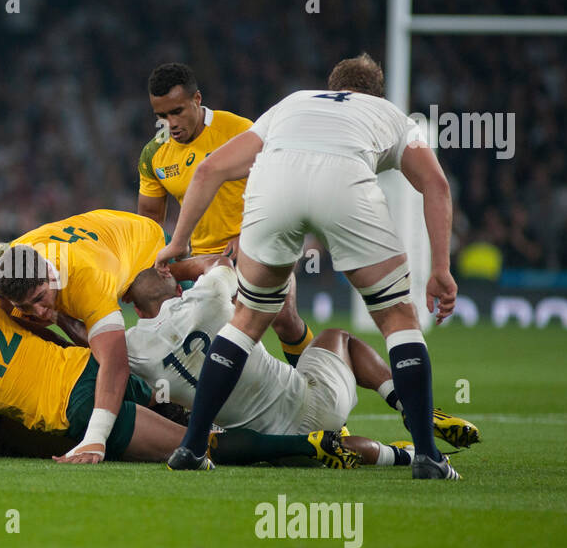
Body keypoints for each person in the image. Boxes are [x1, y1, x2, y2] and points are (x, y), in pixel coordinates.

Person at [155, 54, 462, 479]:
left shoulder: (293, 103)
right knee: (396, 317)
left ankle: (191, 447)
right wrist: (441, 268)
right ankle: (428, 457)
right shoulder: (390, 115)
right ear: (375, 94)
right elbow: (435, 185)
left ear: (330, 86)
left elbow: (209, 170)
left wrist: (176, 242)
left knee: (245, 320)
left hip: (274, 186)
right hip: (344, 189)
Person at [0, 280, 359, 469]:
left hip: (76, 413)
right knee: (178, 409)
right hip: (98, 365)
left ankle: (312, 447)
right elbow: (35, 327)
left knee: (197, 447)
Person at [0, 209, 218, 464]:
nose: (39, 311)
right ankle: (165, 406)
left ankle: (208, 414)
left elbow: (115, 365)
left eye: (40, 297)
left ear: (49, 273)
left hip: (143, 244)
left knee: (171, 347)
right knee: (18, 319)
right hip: (94, 237)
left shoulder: (88, 281)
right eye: (27, 304)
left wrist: (96, 437)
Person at [125, 261, 479, 462]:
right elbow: (220, 262)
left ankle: (400, 455)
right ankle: (407, 404)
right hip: (311, 400)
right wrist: (173, 263)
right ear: (176, 289)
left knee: (330, 444)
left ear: (137, 309)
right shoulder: (209, 296)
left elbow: (100, 346)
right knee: (340, 338)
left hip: (266, 445)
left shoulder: (133, 348)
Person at [138, 62, 314, 365]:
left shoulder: (241, 131)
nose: (171, 123)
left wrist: (246, 233)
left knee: (284, 318)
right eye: (162, 116)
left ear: (197, 100)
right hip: (202, 261)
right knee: (219, 337)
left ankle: (319, 386)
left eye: (177, 111)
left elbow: (283, 187)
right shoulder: (154, 154)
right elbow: (150, 221)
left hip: (258, 241)